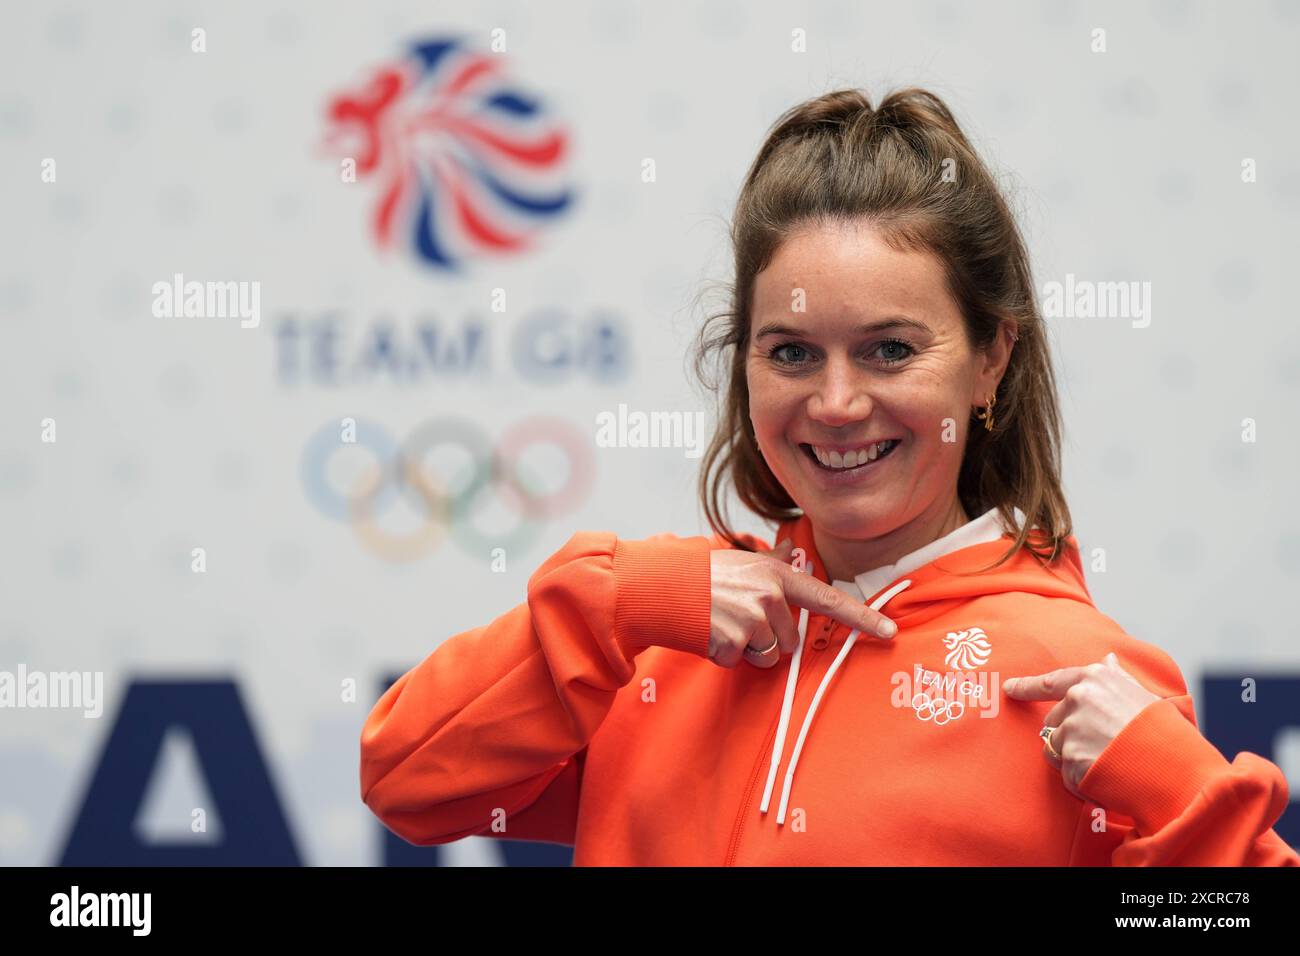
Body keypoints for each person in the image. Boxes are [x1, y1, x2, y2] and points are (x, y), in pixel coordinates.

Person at [359, 87, 1298, 866]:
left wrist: (1180, 792)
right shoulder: (665, 639)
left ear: (990, 360)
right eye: (792, 352)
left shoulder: (1077, 678)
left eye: (890, 349)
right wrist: (613, 608)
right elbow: (406, 780)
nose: (838, 402)